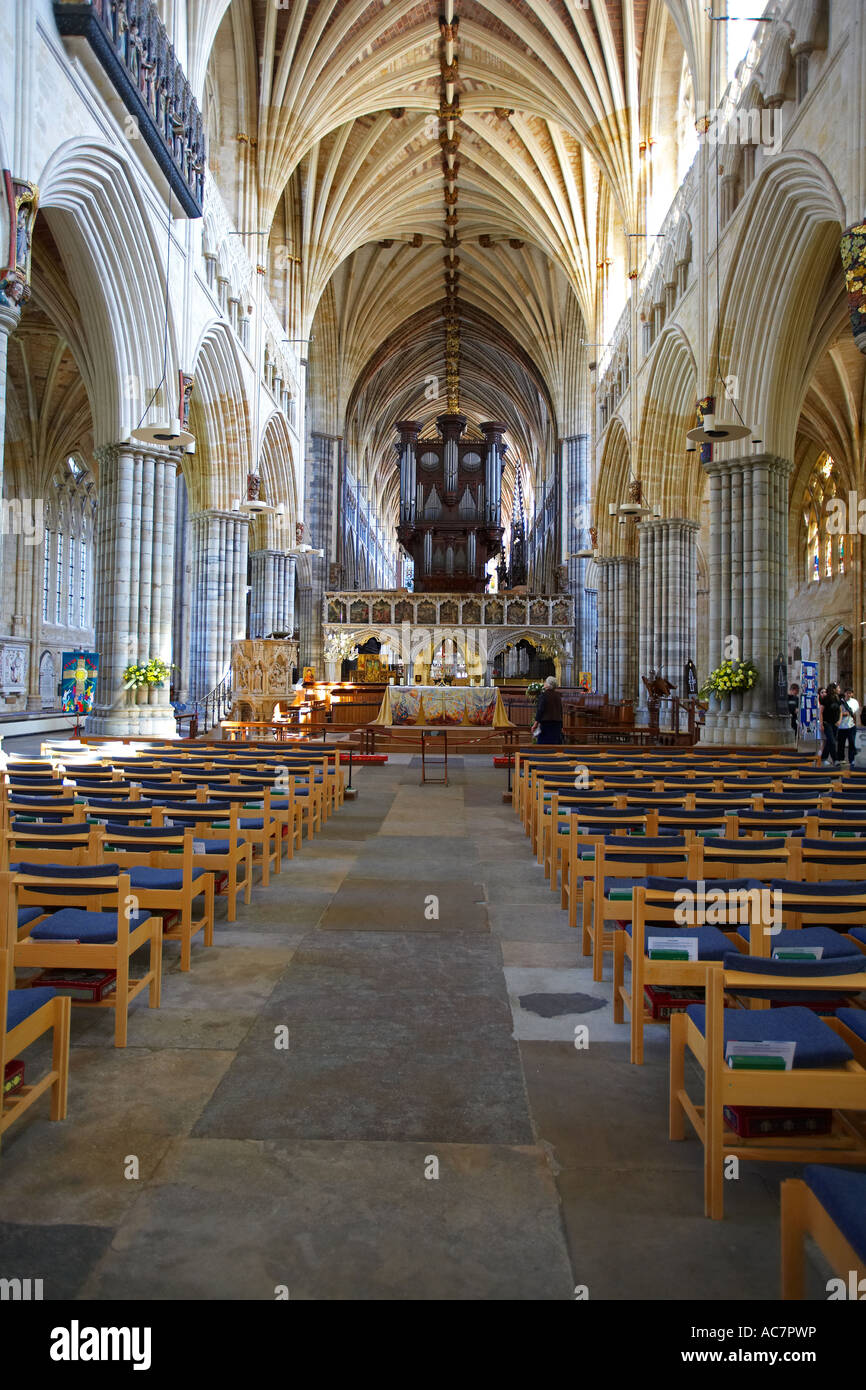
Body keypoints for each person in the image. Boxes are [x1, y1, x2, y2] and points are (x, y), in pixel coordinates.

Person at [534, 675, 563, 745]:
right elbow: (560, 711)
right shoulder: (558, 696)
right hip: (557, 724)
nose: (544, 683)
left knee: (544, 746)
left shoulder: (544, 695)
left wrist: (535, 724)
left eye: (545, 682)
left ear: (548, 685)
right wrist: (561, 726)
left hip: (546, 724)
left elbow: (540, 710)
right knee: (555, 745)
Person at [837, 688, 860, 766]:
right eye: (847, 693)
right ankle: (841, 759)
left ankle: (852, 759)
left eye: (850, 693)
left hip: (851, 726)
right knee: (841, 744)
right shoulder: (840, 701)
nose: (848, 695)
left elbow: (850, 712)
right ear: (844, 693)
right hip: (841, 726)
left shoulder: (854, 702)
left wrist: (841, 713)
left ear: (852, 694)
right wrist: (841, 713)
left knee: (852, 743)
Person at [820, 682, 841, 766]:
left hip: (835, 723)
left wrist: (839, 720)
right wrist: (821, 724)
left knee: (830, 741)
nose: (839, 689)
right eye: (838, 688)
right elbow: (821, 712)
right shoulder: (826, 699)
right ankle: (835, 760)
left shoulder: (838, 698)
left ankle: (823, 758)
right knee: (832, 741)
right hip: (827, 723)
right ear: (834, 689)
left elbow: (840, 711)